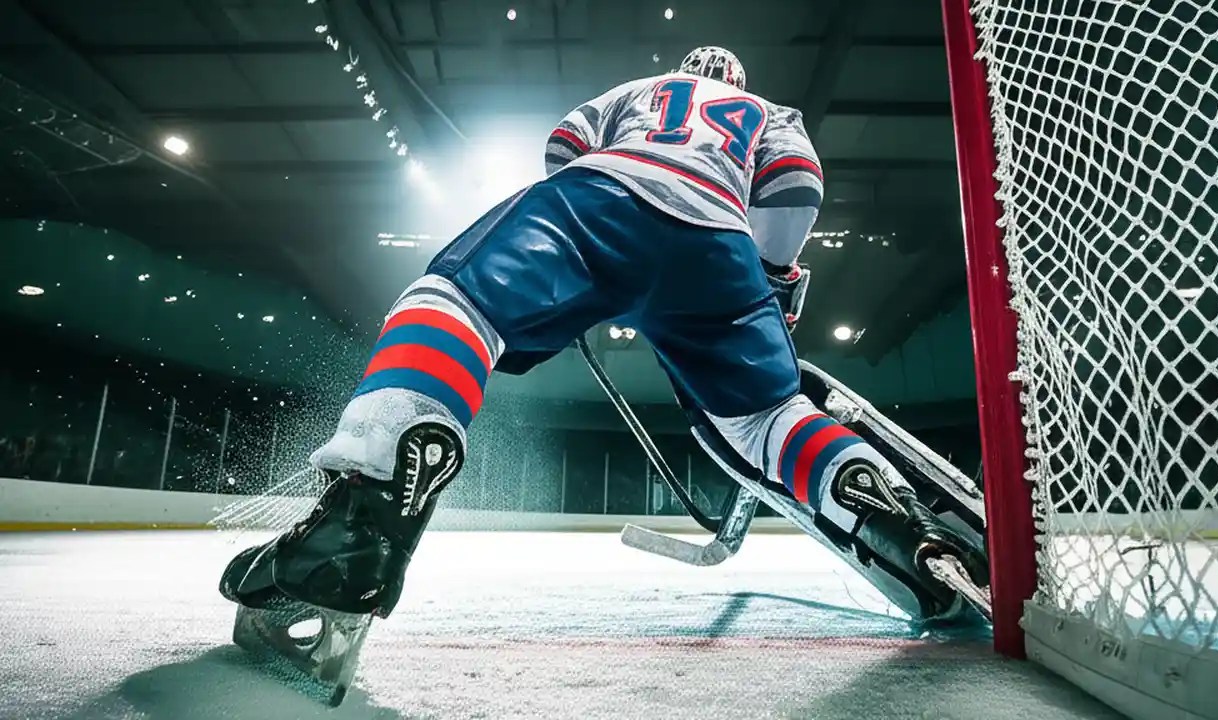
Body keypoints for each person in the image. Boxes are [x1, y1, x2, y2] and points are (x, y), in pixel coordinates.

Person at [220, 47, 982, 621]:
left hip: (603, 197)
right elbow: (796, 191)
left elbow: (562, 147)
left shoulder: (641, 90)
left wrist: (585, 266)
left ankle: (367, 513)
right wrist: (771, 280)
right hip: (718, 243)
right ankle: (887, 517)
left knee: (457, 300)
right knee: (765, 420)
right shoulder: (768, 113)